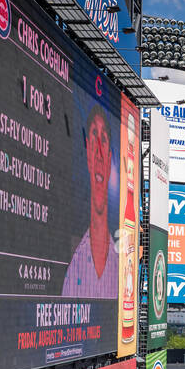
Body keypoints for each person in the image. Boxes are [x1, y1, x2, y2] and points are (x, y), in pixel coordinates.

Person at [65, 105, 119, 298]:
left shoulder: (121, 265)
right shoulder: (73, 267)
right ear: (87, 154)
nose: (99, 155)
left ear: (110, 157)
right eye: (94, 138)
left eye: (103, 140)